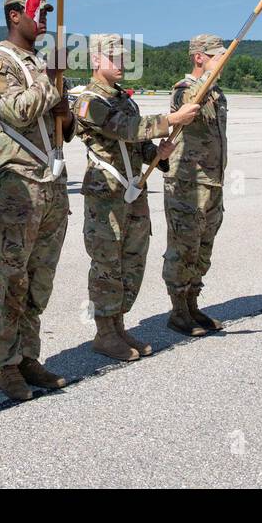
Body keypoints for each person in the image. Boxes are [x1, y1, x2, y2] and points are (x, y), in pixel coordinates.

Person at [73, 34, 199, 359]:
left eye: (123, 57)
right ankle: (104, 331)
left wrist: (159, 151)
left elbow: (138, 143)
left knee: (132, 261)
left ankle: (118, 325)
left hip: (134, 192)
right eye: (113, 57)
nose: (121, 63)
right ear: (96, 60)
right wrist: (171, 119)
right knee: (107, 264)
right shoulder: (89, 100)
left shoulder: (125, 99)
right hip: (107, 196)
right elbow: (124, 129)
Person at [0, 0, 72, 401]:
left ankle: (29, 355)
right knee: (9, 280)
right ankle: (6, 364)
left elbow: (64, 130)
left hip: (49, 186)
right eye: (38, 11)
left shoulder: (41, 64)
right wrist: (52, 82)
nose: (45, 18)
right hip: (14, 188)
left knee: (38, 281)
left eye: (48, 11)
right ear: (15, 16)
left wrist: (64, 110)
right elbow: (15, 110)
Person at [162, 34, 231, 335]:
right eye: (218, 56)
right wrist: (206, 84)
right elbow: (187, 110)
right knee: (183, 247)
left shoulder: (219, 94)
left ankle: (192, 303)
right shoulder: (184, 89)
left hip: (212, 182)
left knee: (203, 248)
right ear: (199, 57)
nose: (223, 61)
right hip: (187, 183)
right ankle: (178, 311)